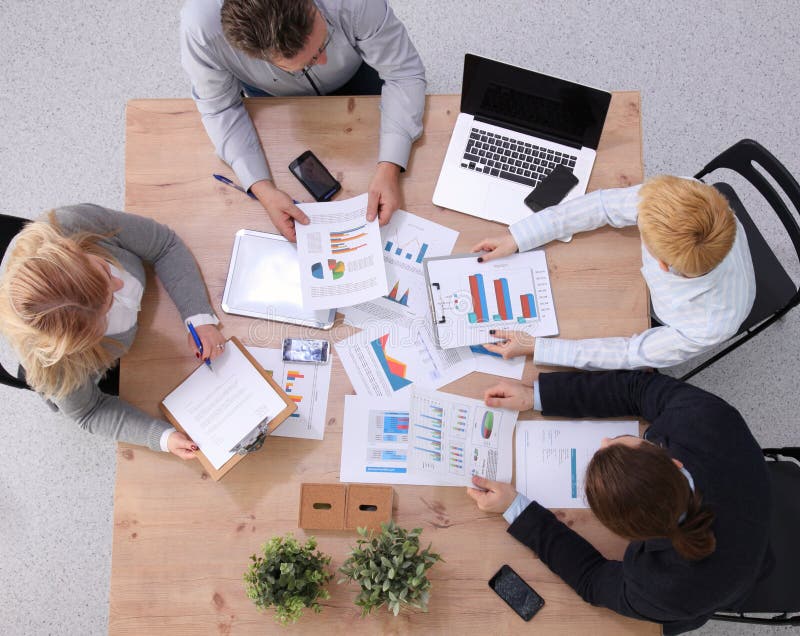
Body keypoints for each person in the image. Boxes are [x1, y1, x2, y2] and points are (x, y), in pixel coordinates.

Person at [468, 371, 772, 635]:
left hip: (736, 576)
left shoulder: (663, 589)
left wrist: (516, 509)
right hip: (750, 492)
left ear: (631, 536)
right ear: (674, 464)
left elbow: (592, 579)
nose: (603, 442)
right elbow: (639, 388)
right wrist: (537, 395)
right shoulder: (706, 419)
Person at [180, 0, 427, 240]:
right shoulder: (201, 28)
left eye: (323, 43)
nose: (323, 61)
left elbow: (402, 73)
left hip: (359, 72)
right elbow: (220, 109)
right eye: (306, 61)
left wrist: (390, 166)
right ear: (254, 54)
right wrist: (262, 189)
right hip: (275, 99)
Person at [0, 205, 226, 459]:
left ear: (73, 249)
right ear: (82, 342)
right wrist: (162, 437)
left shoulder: (73, 224)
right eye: (108, 305)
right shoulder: (59, 369)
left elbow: (164, 244)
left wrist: (198, 318)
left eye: (104, 269)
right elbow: (88, 412)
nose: (120, 283)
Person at [474, 176, 756, 369]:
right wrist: (520, 237)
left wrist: (540, 348)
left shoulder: (709, 326)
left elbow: (630, 354)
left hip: (671, 317)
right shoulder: (688, 195)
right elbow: (605, 206)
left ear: (661, 265)